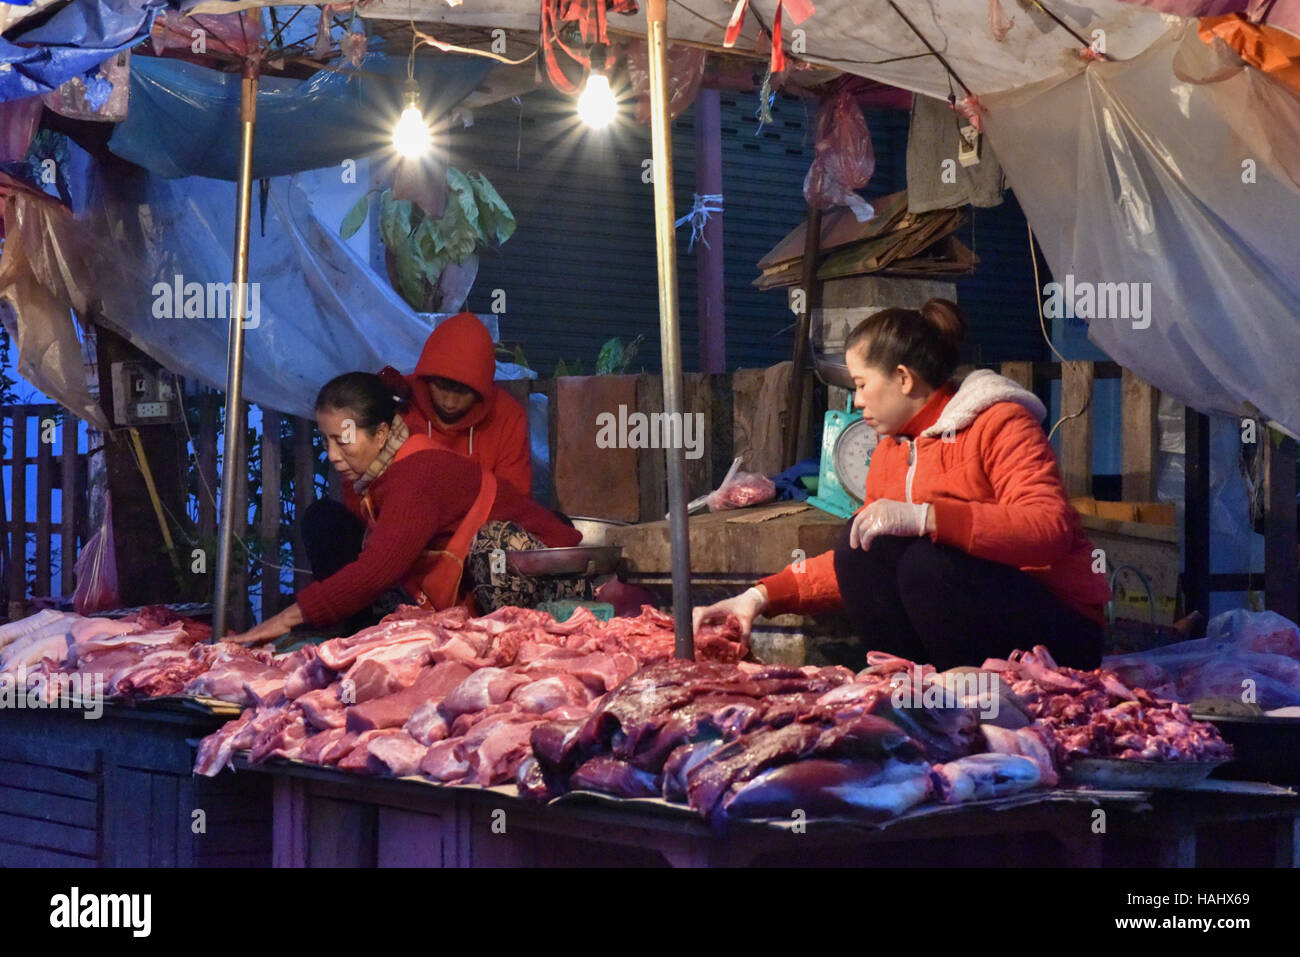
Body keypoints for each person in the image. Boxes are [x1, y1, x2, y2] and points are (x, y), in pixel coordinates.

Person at [692, 299, 1112, 671]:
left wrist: (929, 517)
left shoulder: (1001, 423)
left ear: (903, 378)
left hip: (1059, 629)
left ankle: (967, 691)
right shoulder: (892, 448)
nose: (857, 401)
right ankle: (908, 683)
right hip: (966, 634)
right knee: (860, 552)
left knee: (928, 564)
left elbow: (1049, 529)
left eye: (860, 384)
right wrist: (758, 597)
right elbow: (853, 561)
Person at [227, 372, 581, 645]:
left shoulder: (415, 477)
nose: (332, 455)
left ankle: (513, 642)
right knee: (327, 521)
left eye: (343, 440)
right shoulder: (387, 471)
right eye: (326, 440)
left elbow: (375, 571)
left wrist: (281, 620)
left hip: (553, 574)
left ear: (381, 435)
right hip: (477, 575)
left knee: (491, 545)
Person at [378, 311, 532, 496]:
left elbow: (513, 497)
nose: (449, 402)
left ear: (481, 389)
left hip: (479, 521)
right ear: (427, 379)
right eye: (441, 387)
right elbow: (359, 481)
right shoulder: (396, 398)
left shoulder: (507, 416)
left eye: (463, 392)